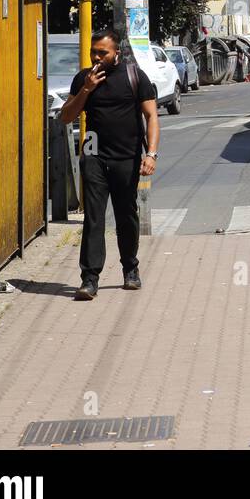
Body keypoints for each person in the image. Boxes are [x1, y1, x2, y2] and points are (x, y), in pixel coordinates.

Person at [59, 30, 160, 300]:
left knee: (126, 215)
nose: (96, 57)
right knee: (93, 217)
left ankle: (130, 269)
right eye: (94, 52)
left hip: (126, 157)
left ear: (117, 53)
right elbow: (66, 117)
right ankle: (89, 279)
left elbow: (151, 117)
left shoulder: (134, 77)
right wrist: (86, 89)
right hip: (93, 154)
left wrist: (151, 154)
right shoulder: (83, 78)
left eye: (102, 52)